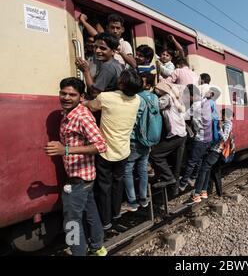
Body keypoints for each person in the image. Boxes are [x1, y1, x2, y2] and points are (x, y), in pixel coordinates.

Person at [45, 78, 107, 256]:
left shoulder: (81, 116)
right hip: (85, 176)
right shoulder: (69, 113)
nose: (66, 97)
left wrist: (65, 149)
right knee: (91, 212)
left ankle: (78, 253)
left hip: (79, 178)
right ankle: (98, 247)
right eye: (63, 93)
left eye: (72, 94)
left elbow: (101, 145)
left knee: (71, 222)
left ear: (81, 97)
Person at [85, 69, 142, 229]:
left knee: (104, 187)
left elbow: (91, 106)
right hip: (123, 151)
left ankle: (106, 221)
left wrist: (83, 102)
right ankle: (116, 213)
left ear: (121, 83)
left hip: (106, 152)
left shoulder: (106, 97)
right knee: (118, 183)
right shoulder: (137, 100)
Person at [122, 73, 161, 212]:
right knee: (143, 169)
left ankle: (132, 201)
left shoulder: (137, 98)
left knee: (127, 170)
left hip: (134, 139)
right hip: (148, 139)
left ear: (148, 85)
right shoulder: (155, 98)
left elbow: (133, 118)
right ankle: (143, 199)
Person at [149, 82, 187, 189]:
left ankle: (168, 177)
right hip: (181, 133)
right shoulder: (175, 98)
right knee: (173, 160)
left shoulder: (166, 98)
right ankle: (168, 179)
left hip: (176, 134)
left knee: (155, 154)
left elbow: (155, 106)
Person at [193, 108, 234, 202]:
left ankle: (197, 194)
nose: (221, 116)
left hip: (216, 151)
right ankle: (204, 192)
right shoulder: (225, 123)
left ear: (226, 116)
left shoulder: (227, 124)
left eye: (222, 115)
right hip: (214, 150)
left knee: (203, 169)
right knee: (208, 170)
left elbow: (224, 137)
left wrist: (219, 128)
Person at [179, 84, 212, 192]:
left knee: (191, 161)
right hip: (208, 137)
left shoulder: (196, 105)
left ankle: (183, 183)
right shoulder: (206, 102)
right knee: (199, 159)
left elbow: (184, 116)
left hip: (200, 138)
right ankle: (193, 177)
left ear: (192, 95)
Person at [76, 33, 124, 98]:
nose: (97, 50)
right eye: (95, 47)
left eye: (103, 48)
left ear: (113, 51)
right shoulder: (116, 64)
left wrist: (85, 71)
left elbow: (95, 93)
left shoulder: (108, 66)